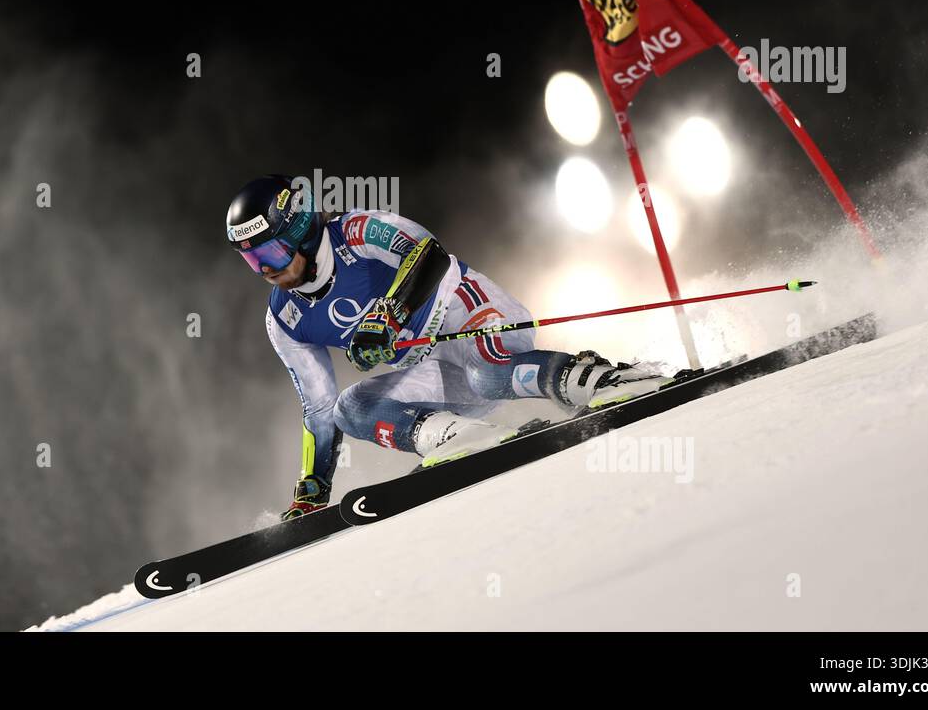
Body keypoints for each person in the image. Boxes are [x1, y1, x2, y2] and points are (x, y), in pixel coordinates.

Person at [226, 175, 669, 520]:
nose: (266, 270)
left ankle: (600, 378)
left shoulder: (358, 232)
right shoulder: (284, 318)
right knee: (349, 408)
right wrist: (313, 488)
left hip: (468, 315)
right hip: (434, 366)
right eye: (252, 261)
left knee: (485, 372)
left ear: (300, 228)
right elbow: (318, 408)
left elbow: (429, 254)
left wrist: (390, 312)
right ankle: (453, 436)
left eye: (272, 254)